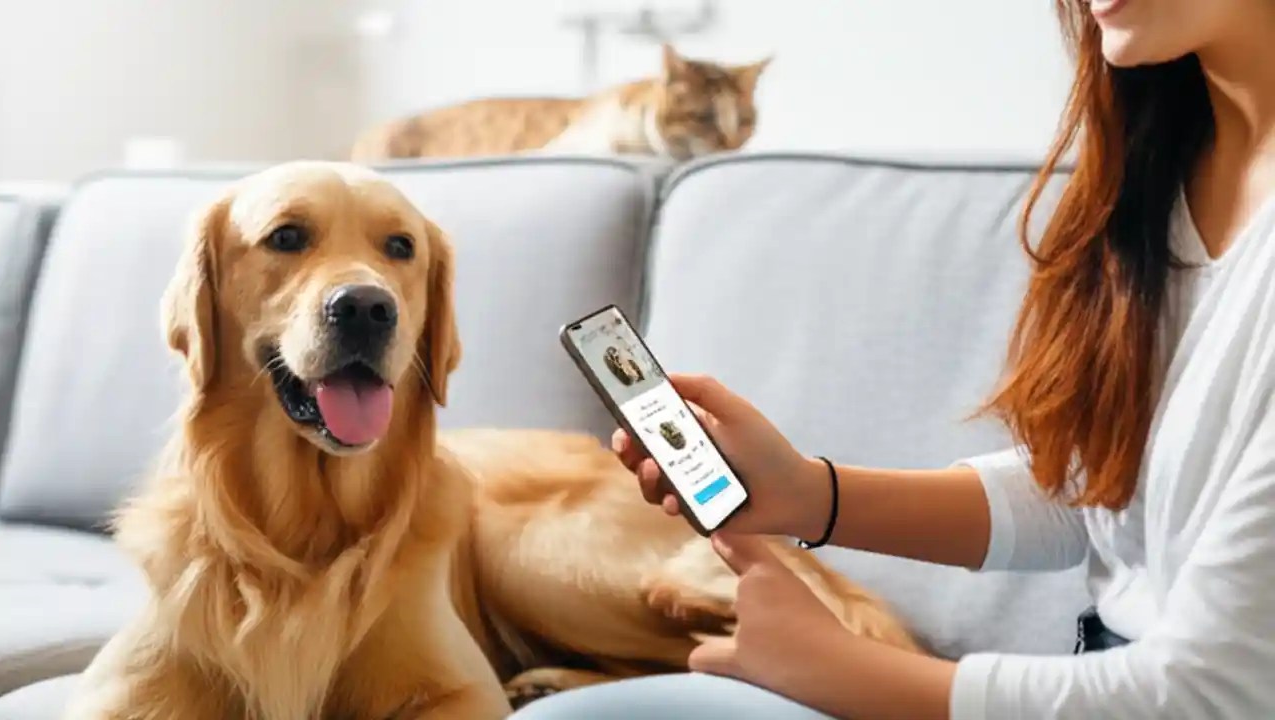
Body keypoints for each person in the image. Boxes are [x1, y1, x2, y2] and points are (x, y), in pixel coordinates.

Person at [512, 0, 1275, 717]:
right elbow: (1108, 492)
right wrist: (812, 495)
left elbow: (1210, 692)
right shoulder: (1171, 162)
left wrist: (840, 669)